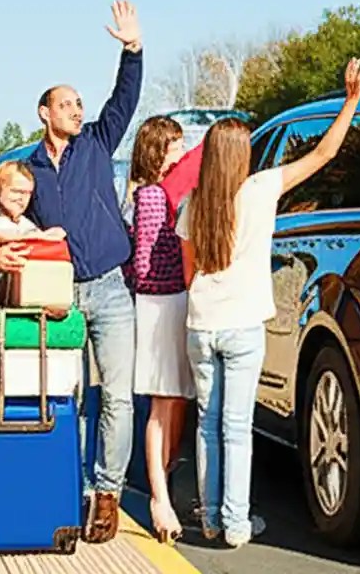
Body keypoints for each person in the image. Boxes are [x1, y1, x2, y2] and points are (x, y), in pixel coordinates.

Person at [176, 57, 360, 549]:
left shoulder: (192, 204)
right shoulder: (260, 190)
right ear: (242, 157)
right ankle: (236, 526)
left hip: (202, 325)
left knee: (208, 425)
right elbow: (323, 155)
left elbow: (188, 271)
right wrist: (349, 102)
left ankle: (212, 518)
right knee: (237, 429)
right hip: (241, 327)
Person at [0, 0, 143, 544]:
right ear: (44, 112)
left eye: (81, 103)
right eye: (68, 104)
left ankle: (108, 494)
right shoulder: (26, 170)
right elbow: (6, 229)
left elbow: (125, 99)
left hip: (110, 289)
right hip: (58, 297)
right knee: (67, 397)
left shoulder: (98, 144)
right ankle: (70, 488)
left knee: (118, 397)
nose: (78, 110)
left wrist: (131, 50)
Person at [121, 115, 205, 544]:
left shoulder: (157, 195)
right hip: (161, 302)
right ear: (158, 151)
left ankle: (164, 483)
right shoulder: (154, 197)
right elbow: (146, 263)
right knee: (163, 403)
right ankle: (159, 495)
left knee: (173, 402)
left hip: (167, 301)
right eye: (175, 145)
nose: (181, 151)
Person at [0, 160, 66, 353]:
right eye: (16, 191)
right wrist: (43, 237)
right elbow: (1, 236)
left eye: (28, 193)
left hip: (14, 330)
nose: (22, 199)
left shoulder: (28, 225)